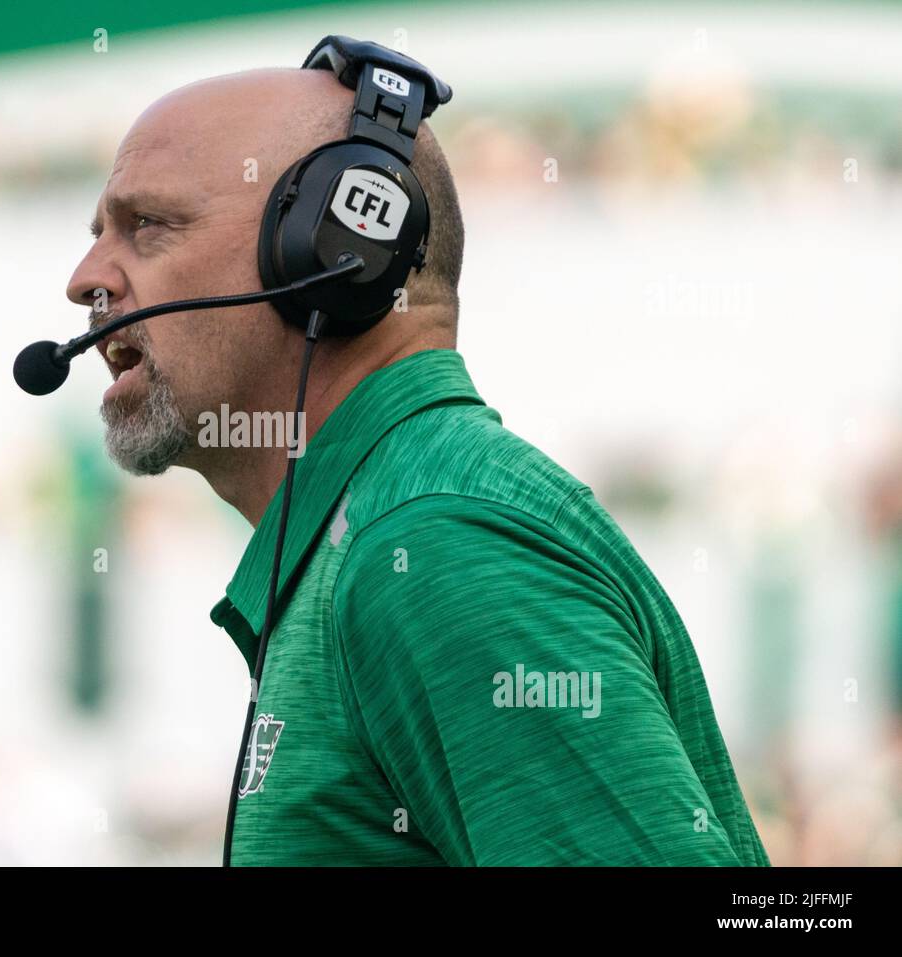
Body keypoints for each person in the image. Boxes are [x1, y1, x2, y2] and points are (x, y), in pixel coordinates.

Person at [64, 42, 769, 866]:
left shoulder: (435, 547)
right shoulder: (380, 532)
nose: (84, 279)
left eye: (148, 225)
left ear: (335, 253)